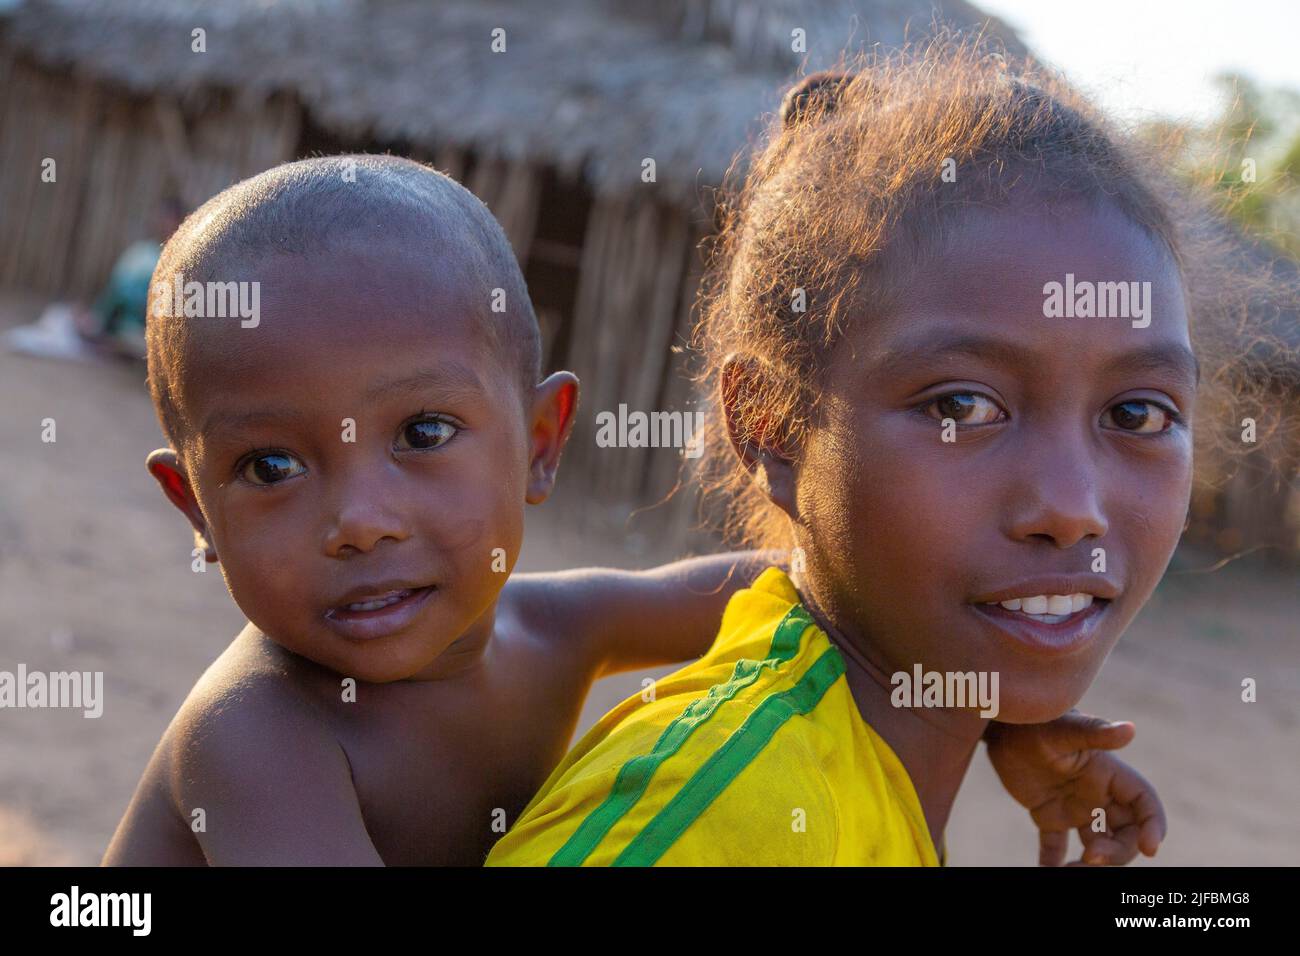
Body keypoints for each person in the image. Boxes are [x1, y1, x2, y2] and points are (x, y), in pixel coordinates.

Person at [103, 153, 1163, 866]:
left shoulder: (552, 628)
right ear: (193, 504)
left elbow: (834, 599)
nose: (361, 518)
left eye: (423, 434)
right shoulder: (260, 737)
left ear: (544, 442)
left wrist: (982, 709)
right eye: (271, 466)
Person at [485, 42, 1205, 866]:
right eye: (962, 407)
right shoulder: (731, 817)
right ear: (772, 427)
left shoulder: (863, 755)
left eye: (1138, 413)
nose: (1072, 507)